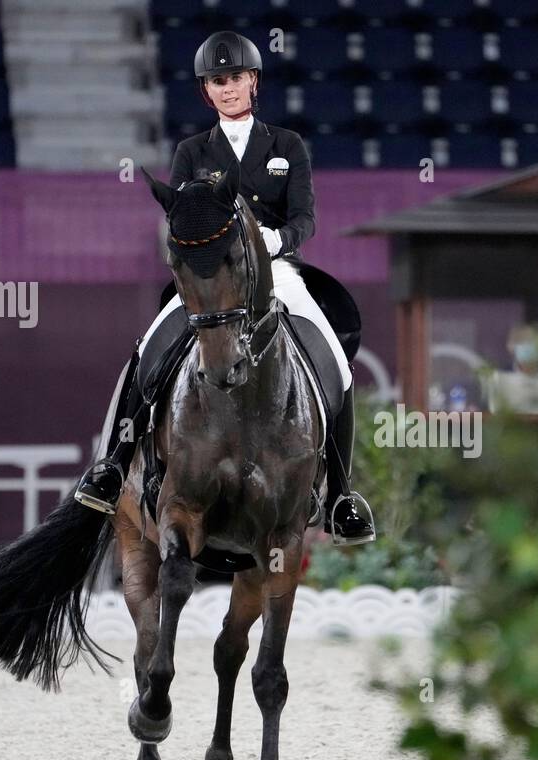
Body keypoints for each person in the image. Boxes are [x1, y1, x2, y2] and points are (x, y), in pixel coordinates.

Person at [75, 30, 375, 545]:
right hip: (211, 272)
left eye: (236, 77)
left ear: (253, 81)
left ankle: (343, 495)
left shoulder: (286, 145)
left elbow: (305, 216)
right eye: (218, 81)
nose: (228, 87)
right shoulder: (193, 151)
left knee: (333, 360)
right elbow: (181, 214)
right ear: (206, 91)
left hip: (277, 270)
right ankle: (112, 466)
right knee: (147, 347)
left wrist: (277, 239)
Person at [484, 323, 538, 413]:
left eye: (531, 342)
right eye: (521, 342)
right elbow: (494, 413)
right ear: (510, 346)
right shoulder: (499, 377)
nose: (527, 346)